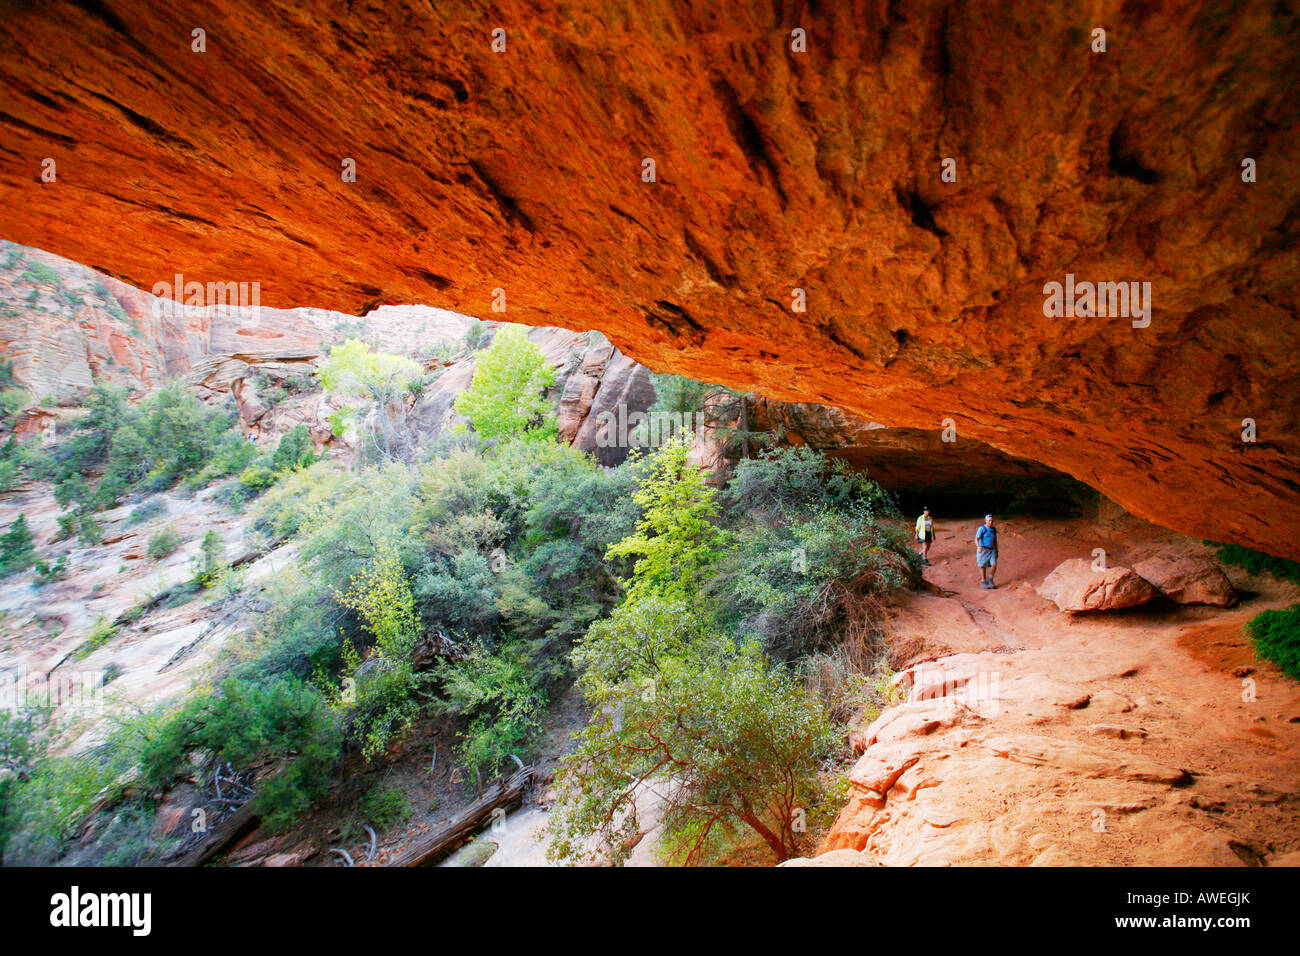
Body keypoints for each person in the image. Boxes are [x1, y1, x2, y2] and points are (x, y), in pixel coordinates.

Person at [976, 514, 998, 589]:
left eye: (992, 520)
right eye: (989, 520)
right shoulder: (982, 529)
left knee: (994, 564)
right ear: (986, 521)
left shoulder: (993, 530)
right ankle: (984, 581)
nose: (991, 522)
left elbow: (995, 540)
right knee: (983, 566)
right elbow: (976, 539)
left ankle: (991, 578)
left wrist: (996, 550)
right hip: (983, 549)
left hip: (992, 549)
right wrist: (978, 547)